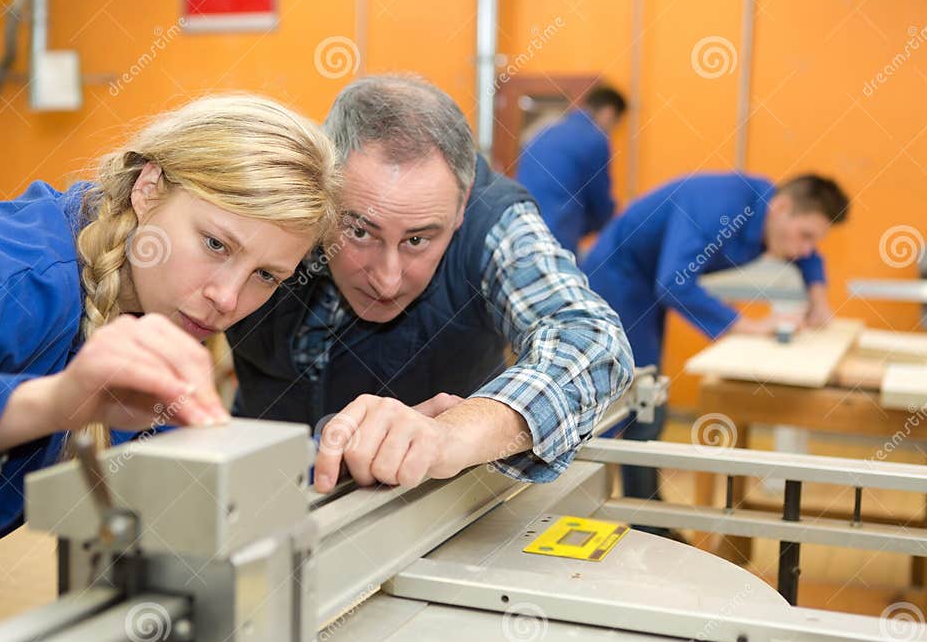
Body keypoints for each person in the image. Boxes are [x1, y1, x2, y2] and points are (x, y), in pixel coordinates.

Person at [0, 95, 340, 613]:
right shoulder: (6, 270)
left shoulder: (140, 313)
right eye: (216, 245)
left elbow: (171, 462)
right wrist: (57, 401)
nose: (228, 299)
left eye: (266, 276)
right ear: (148, 190)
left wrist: (344, 451)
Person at [227, 75, 635, 494]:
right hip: (253, 495)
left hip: (430, 510)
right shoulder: (275, 196)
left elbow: (592, 340)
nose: (386, 280)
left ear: (460, 207)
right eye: (360, 232)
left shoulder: (494, 221)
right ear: (325, 189)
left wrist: (456, 432)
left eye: (417, 240)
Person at [581, 171, 849, 520]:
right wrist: (747, 326)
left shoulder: (775, 214)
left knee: (645, 406)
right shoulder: (720, 204)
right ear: (781, 208)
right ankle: (598, 515)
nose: (805, 249)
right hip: (616, 279)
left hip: (645, 287)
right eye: (805, 236)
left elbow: (810, 258)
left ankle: (644, 517)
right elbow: (675, 282)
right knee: (631, 403)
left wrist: (819, 298)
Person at [515, 85, 626, 254]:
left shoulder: (545, 132)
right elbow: (600, 201)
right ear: (608, 113)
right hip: (558, 230)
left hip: (521, 227)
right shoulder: (595, 139)